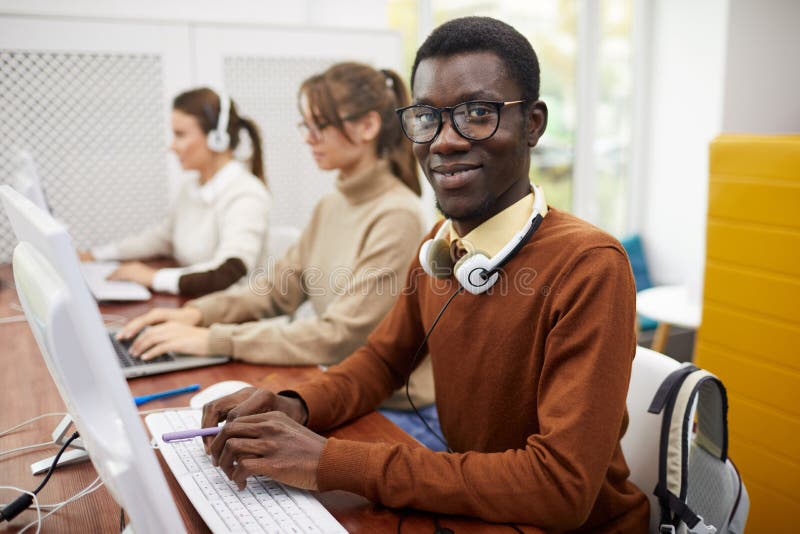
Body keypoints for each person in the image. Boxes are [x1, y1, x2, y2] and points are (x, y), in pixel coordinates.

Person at [198, 17, 650, 532]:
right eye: (427, 117)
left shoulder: (589, 266)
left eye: (477, 113)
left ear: (533, 123)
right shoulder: (441, 246)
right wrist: (294, 404)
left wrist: (330, 462)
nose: (444, 142)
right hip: (481, 512)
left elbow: (560, 487)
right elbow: (380, 363)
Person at [116, 63, 439, 447]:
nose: (308, 138)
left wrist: (215, 340)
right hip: (343, 391)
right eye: (306, 126)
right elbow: (275, 289)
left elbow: (338, 337)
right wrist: (197, 313)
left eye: (319, 126)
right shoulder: (332, 204)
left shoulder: (397, 215)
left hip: (399, 414)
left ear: (367, 126)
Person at [79, 88, 270, 297]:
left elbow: (228, 271)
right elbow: (159, 239)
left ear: (217, 139)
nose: (172, 146)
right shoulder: (192, 189)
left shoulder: (246, 194)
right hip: (198, 302)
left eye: (180, 135)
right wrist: (95, 256)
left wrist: (153, 277)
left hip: (234, 318)